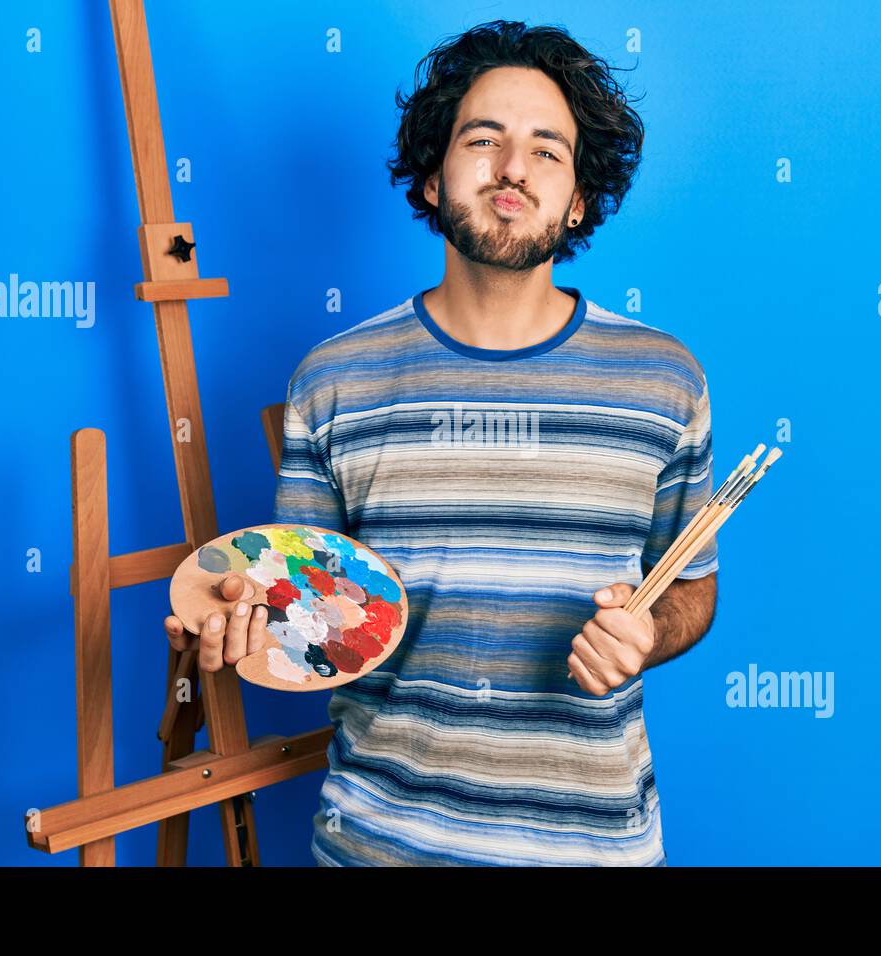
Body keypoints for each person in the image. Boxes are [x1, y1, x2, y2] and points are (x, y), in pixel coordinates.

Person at [164, 19, 718, 866]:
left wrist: (649, 632)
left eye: (547, 151)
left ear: (577, 199)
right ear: (431, 179)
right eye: (483, 139)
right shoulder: (332, 382)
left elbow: (692, 589)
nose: (511, 170)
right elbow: (308, 614)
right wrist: (234, 628)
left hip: (593, 847)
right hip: (378, 845)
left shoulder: (663, 381)